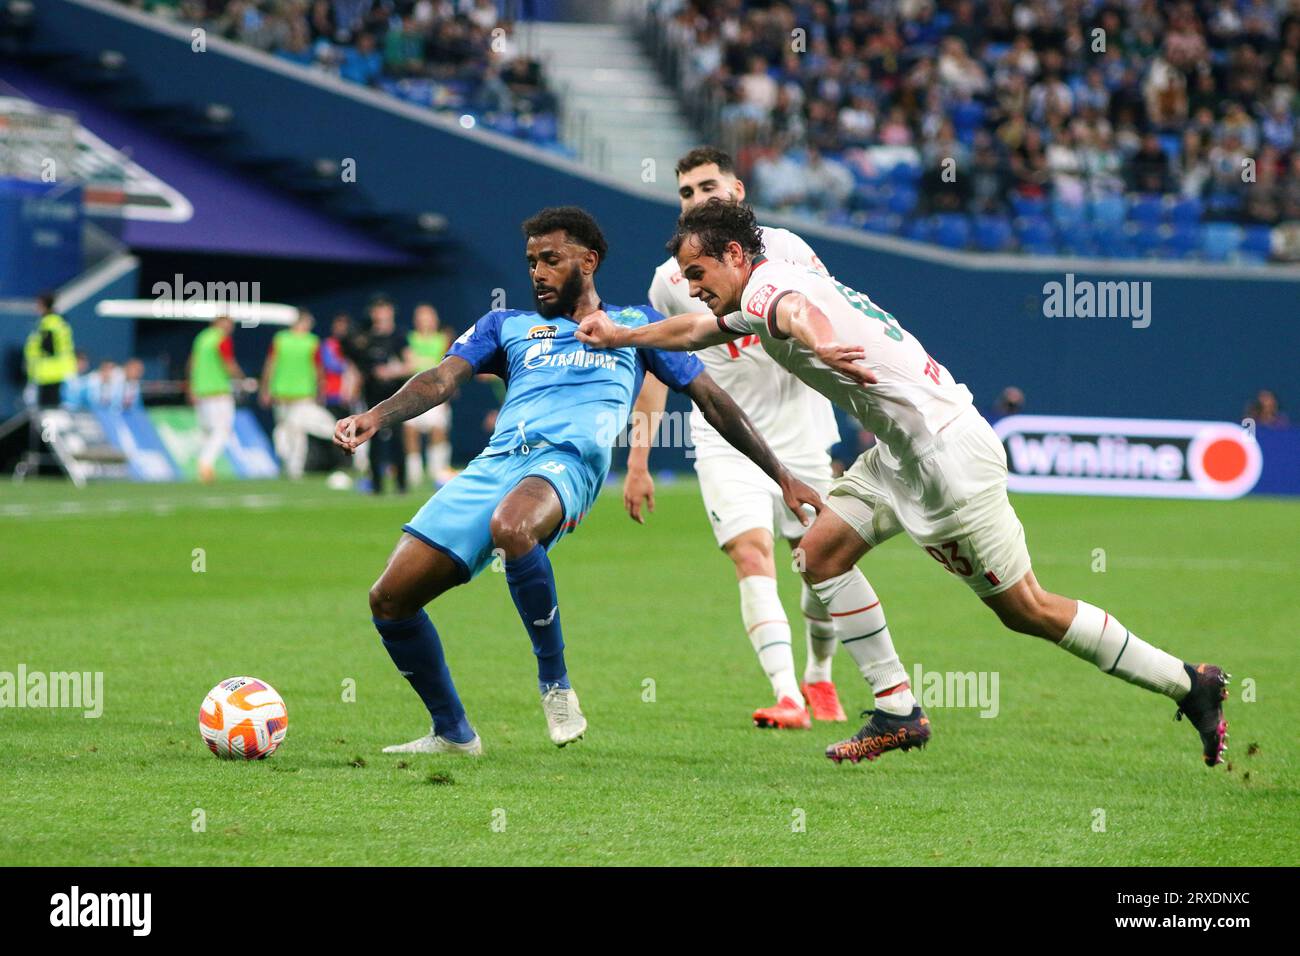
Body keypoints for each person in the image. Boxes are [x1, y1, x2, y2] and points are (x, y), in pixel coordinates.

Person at [577, 199, 1229, 769]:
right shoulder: (768, 280)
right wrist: (623, 335)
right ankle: (897, 709)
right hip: (902, 453)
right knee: (819, 554)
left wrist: (822, 344)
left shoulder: (766, 289)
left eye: (698, 273)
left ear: (734, 254)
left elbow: (797, 313)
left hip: (947, 463)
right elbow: (699, 329)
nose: (692, 288)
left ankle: (1188, 683)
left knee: (1025, 609)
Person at [332, 206, 822, 756]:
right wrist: (376, 416)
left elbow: (714, 402)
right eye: (531, 261)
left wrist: (780, 475)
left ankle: (555, 685)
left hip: (567, 464)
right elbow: (442, 379)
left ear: (588, 261)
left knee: (513, 528)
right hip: (495, 465)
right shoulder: (506, 326)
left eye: (551, 259)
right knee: (390, 600)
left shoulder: (632, 329)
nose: (537, 272)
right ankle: (452, 733)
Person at [632, 147, 846, 730]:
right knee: (751, 555)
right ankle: (787, 696)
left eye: (708, 187)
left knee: (820, 564)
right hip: (726, 436)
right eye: (686, 193)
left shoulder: (788, 250)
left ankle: (820, 674)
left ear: (738, 191)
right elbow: (661, 368)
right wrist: (638, 460)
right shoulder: (669, 280)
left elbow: (834, 317)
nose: (697, 199)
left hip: (802, 432)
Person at [343, 295, 410, 494]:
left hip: (395, 395)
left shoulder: (398, 336)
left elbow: (410, 364)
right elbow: (356, 367)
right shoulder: (366, 338)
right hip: (372, 395)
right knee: (373, 438)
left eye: (384, 309)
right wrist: (351, 389)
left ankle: (401, 484)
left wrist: (391, 371)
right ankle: (377, 485)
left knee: (397, 439)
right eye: (377, 309)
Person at [260, 311, 336, 480]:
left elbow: (270, 364)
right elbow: (317, 368)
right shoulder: (307, 341)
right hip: (293, 395)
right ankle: (291, 464)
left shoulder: (285, 339)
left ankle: (294, 467)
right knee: (288, 431)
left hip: (292, 395)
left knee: (294, 430)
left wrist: (265, 388)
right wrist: (265, 389)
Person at [187, 315, 245, 483]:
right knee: (223, 430)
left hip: (202, 392)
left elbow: (192, 362)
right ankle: (205, 463)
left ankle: (204, 470)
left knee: (207, 431)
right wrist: (242, 379)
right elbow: (229, 363)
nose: (229, 329)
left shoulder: (202, 338)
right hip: (218, 392)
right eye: (227, 325)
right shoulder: (221, 339)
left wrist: (191, 386)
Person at [402, 303, 455, 487]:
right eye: (421, 317)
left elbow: (446, 365)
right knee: (410, 431)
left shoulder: (443, 339)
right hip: (413, 393)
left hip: (436, 394)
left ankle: (438, 472)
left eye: (428, 317)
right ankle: (413, 474)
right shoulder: (409, 338)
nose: (425, 321)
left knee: (438, 430)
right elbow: (409, 363)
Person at [24, 292, 75, 410]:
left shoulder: (49, 323)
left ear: (43, 305)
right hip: (56, 371)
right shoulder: (58, 322)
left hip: (49, 371)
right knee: (52, 406)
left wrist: (33, 358)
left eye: (38, 304)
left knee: (48, 408)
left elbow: (48, 348)